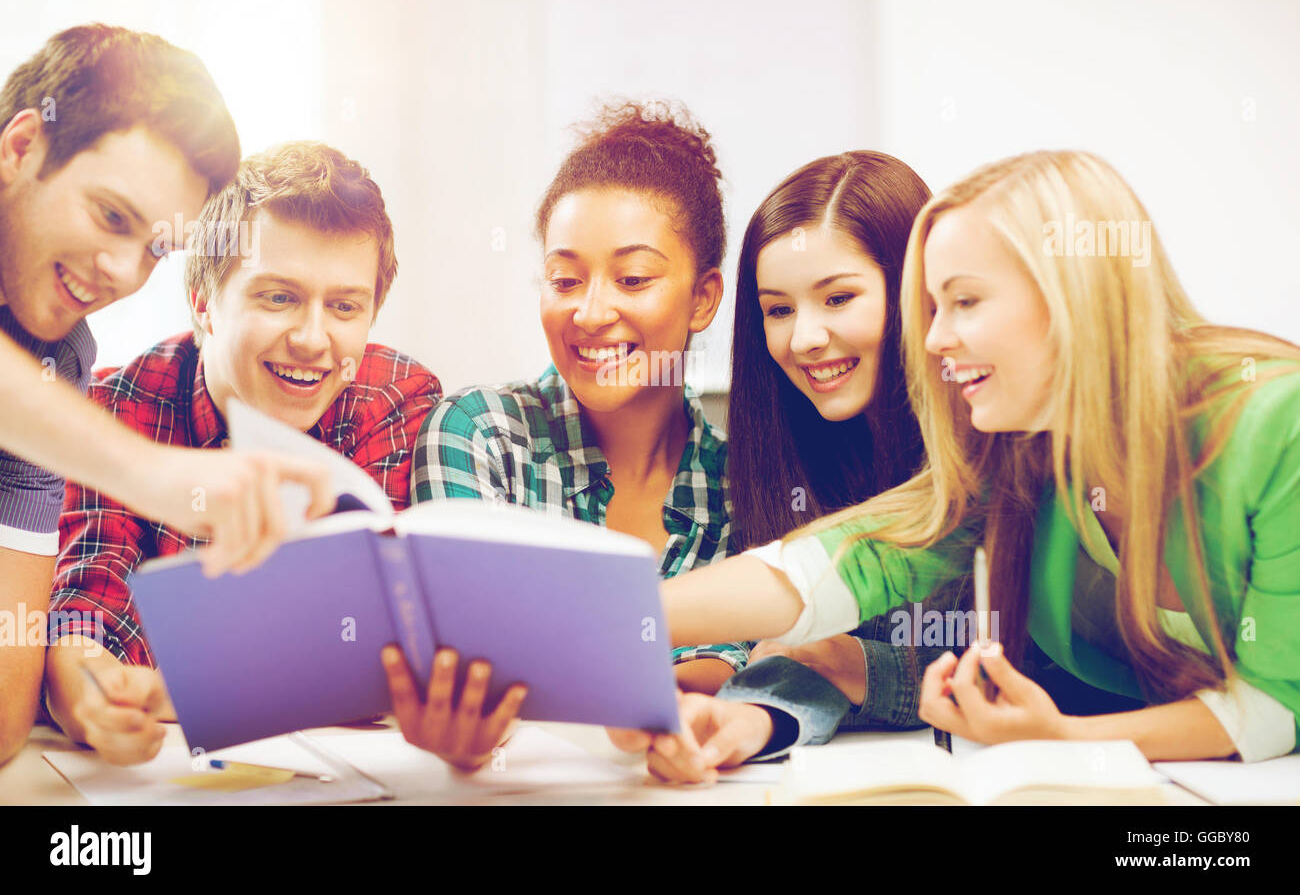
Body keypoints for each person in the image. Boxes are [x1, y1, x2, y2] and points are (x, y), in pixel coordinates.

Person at [640, 149, 1300, 780]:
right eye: (931, 307)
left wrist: (1059, 739)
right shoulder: (1021, 445)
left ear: (1070, 294)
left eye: (964, 302)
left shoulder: (1276, 423)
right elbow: (850, 562)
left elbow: (1274, 708)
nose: (931, 339)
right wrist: (627, 610)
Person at [44, 141, 441, 765]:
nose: (313, 339)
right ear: (204, 303)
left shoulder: (395, 397)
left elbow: (373, 651)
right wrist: (92, 690)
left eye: (344, 307)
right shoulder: (116, 405)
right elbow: (91, 602)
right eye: (277, 297)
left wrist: (184, 682)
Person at [0, 26, 332, 765]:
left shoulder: (54, 359)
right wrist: (156, 476)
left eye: (154, 248)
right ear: (20, 148)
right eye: (112, 217)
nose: (121, 271)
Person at [388, 100, 733, 770]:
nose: (591, 311)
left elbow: (756, 661)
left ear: (703, 298)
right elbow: (470, 658)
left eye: (632, 278)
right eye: (563, 279)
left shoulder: (743, 482)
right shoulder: (478, 434)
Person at [612, 152, 952, 778]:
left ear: (916, 289)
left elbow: (990, 659)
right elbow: (810, 647)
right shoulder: (797, 451)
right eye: (778, 310)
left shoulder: (982, 441)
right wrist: (750, 719)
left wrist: (861, 667)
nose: (805, 339)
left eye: (839, 297)